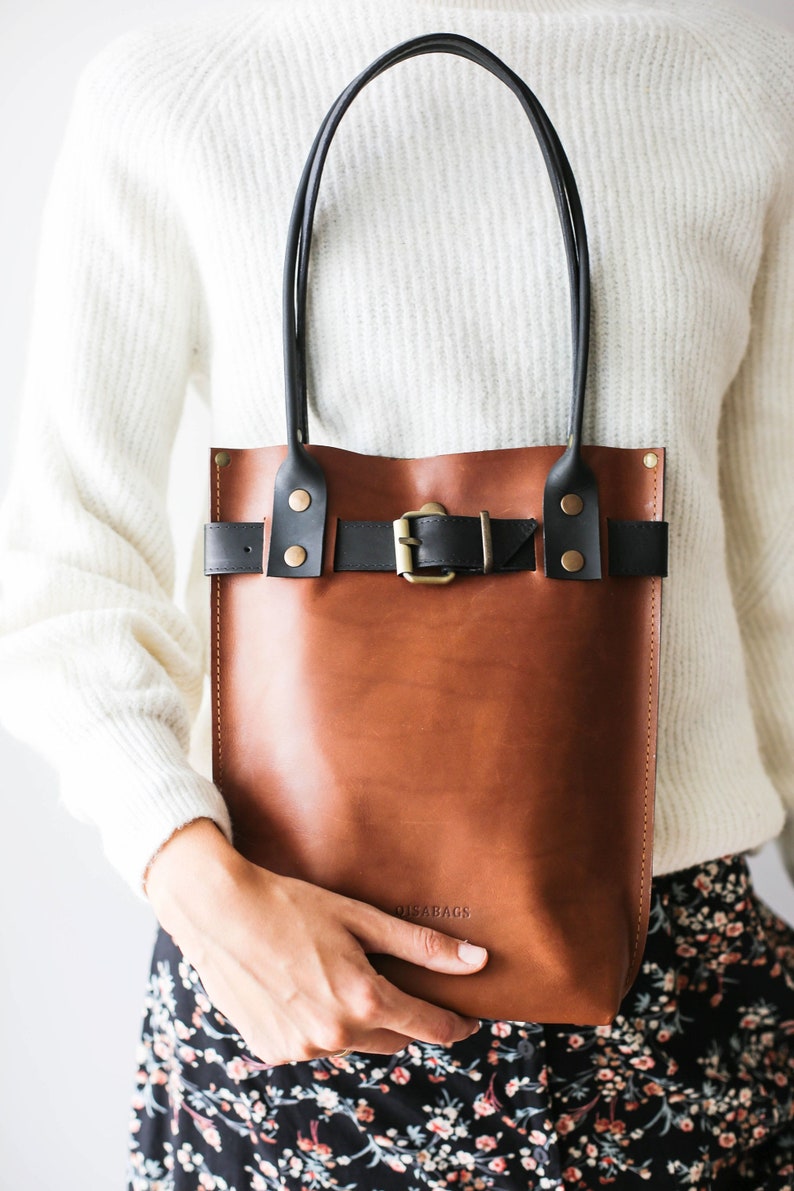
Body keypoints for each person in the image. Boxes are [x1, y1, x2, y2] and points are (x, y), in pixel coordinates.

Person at [0, 0, 793, 1186]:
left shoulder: (736, 73)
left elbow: (775, 560)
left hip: (675, 997)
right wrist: (201, 888)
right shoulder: (171, 91)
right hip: (284, 982)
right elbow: (59, 572)